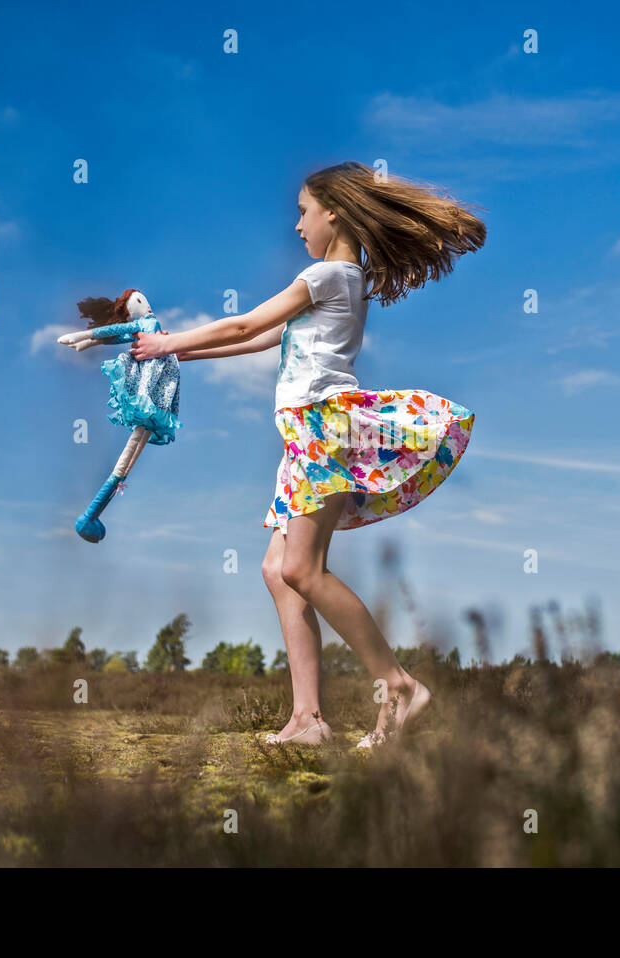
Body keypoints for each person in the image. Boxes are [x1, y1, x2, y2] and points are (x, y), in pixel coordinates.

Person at [130, 161, 485, 748]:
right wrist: (173, 355)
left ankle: (398, 684)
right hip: (304, 439)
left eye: (302, 211)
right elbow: (259, 338)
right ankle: (308, 720)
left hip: (325, 430)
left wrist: (167, 340)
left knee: (302, 569)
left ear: (334, 212)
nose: (296, 224)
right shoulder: (335, 282)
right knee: (278, 572)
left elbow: (244, 325)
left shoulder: (328, 276)